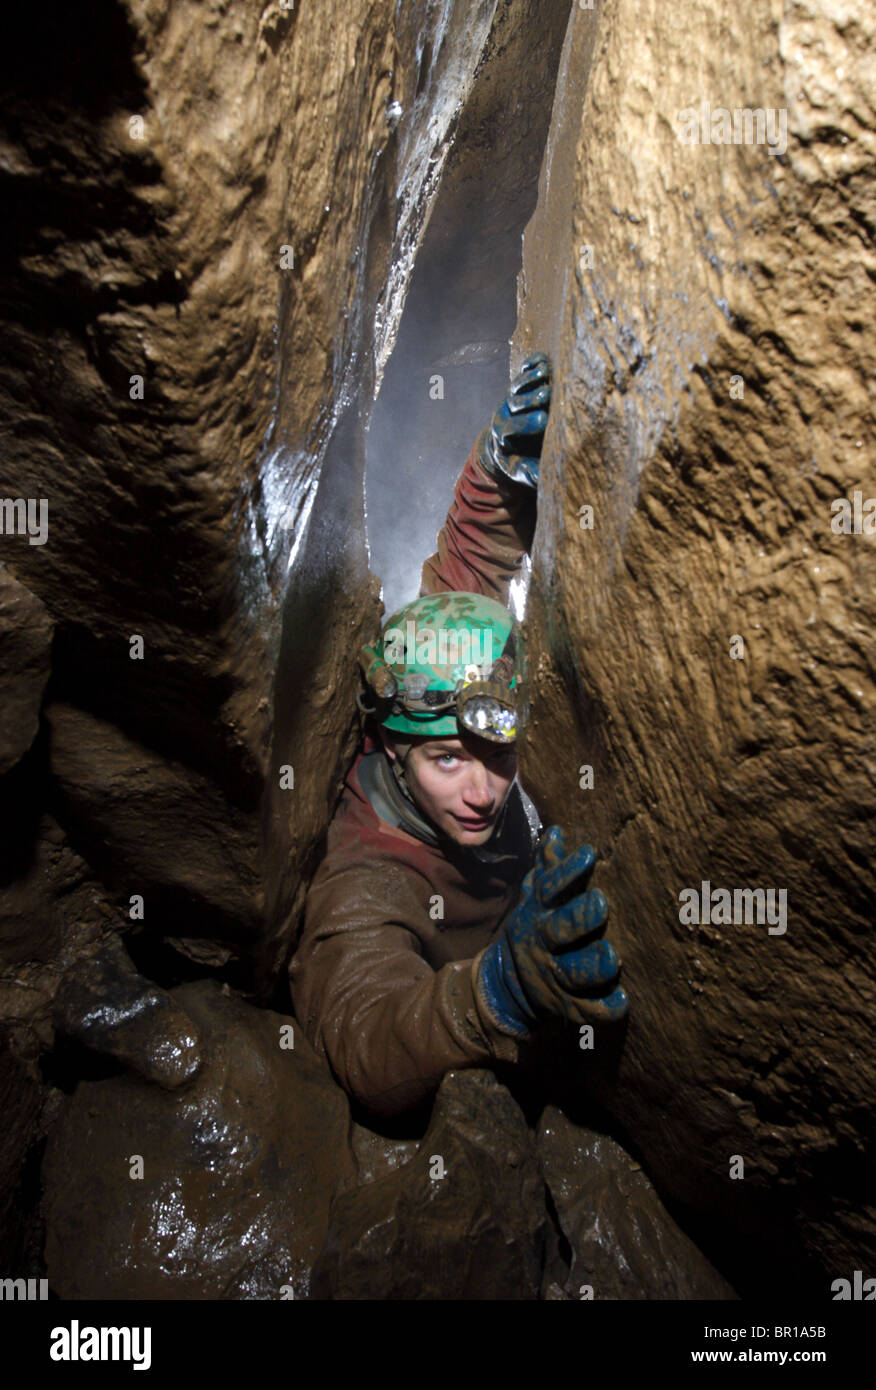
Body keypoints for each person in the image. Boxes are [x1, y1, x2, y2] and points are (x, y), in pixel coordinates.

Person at [289, 353, 628, 1118]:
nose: (483, 792)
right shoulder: (366, 871)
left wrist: (496, 473)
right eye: (447, 758)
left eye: (500, 755)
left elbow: (464, 584)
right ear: (394, 750)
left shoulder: (436, 679)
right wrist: (495, 994)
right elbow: (363, 1039)